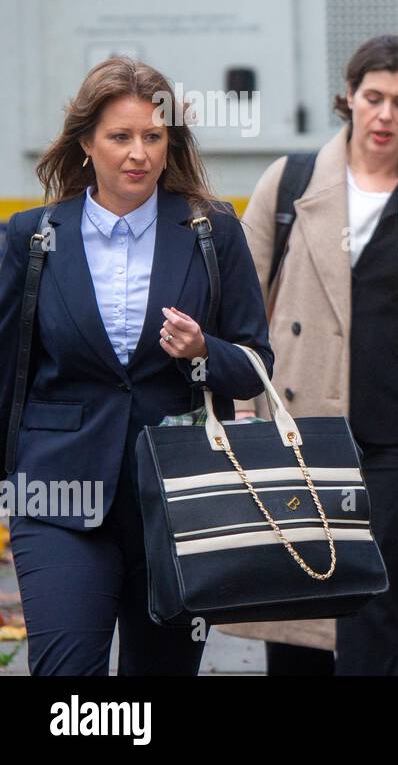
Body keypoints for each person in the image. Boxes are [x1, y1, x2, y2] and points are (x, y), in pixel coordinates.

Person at [0, 56, 273, 675]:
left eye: (153, 136)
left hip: (181, 496)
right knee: (65, 674)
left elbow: (256, 365)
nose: (138, 154)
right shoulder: (32, 237)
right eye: (120, 137)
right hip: (59, 496)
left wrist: (206, 351)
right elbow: (6, 368)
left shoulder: (212, 230)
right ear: (86, 144)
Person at [220, 34, 398, 675]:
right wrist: (242, 412)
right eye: (373, 97)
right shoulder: (290, 182)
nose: (385, 114)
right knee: (298, 596)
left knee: (372, 595)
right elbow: (238, 304)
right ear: (350, 98)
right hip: (298, 429)